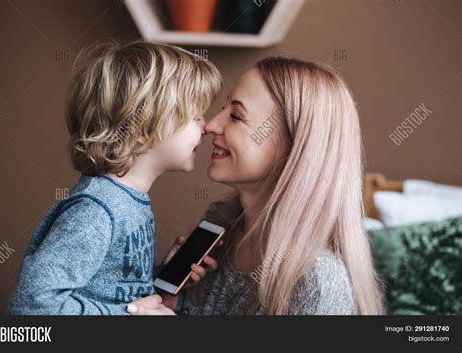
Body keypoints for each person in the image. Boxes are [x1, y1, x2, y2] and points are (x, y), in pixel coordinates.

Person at [129, 57, 384, 315]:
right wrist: (172, 300)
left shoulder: (316, 284)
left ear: (294, 146)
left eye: (236, 116)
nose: (212, 125)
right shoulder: (219, 222)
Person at [8, 41, 222, 315]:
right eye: (196, 117)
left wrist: (159, 279)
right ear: (143, 130)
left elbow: (111, 290)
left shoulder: (129, 200)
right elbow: (31, 306)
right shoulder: (96, 211)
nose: (205, 128)